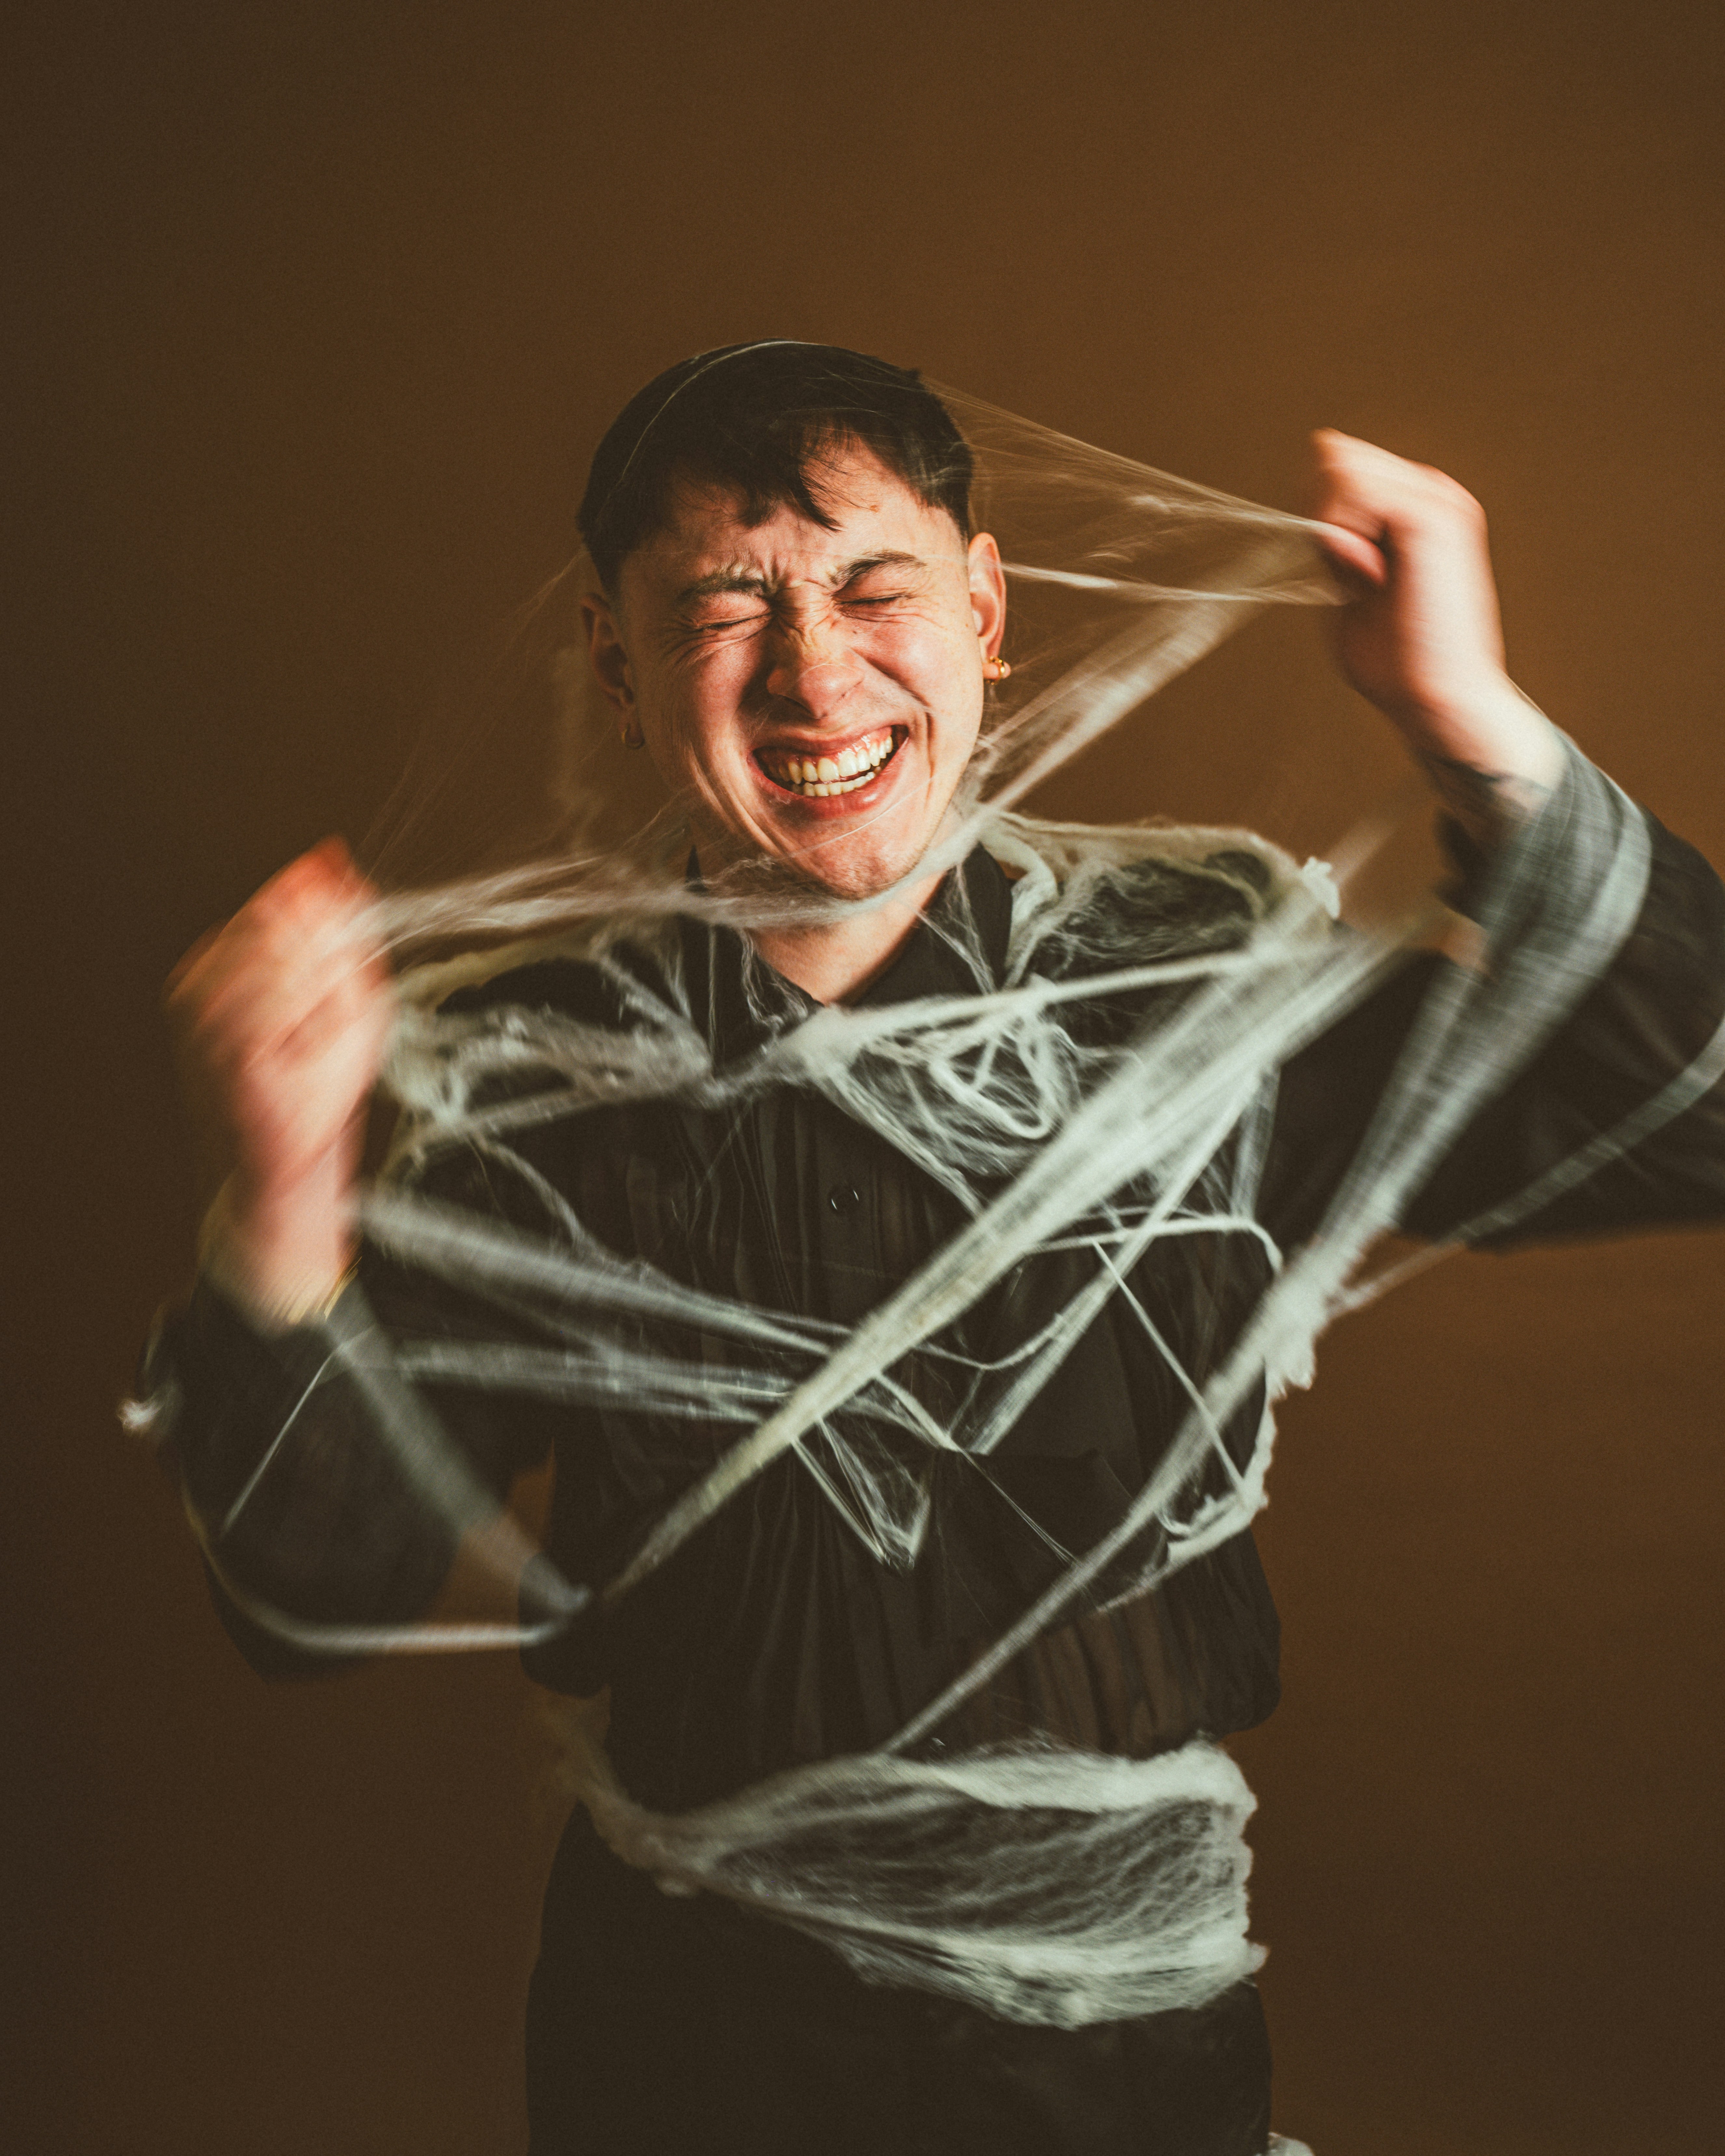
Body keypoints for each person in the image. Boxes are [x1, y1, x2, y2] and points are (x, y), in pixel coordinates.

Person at [143, 345, 1725, 2155]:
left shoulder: (1196, 993)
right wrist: (281, 1190)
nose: (814, 671)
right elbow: (300, 1594)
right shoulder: (533, 1080)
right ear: (614, 655)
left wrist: (1464, 716)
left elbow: (1691, 1101)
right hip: (689, 2050)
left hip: (1121, 2076)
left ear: (985, 613)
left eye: (873, 588)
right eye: (724, 605)